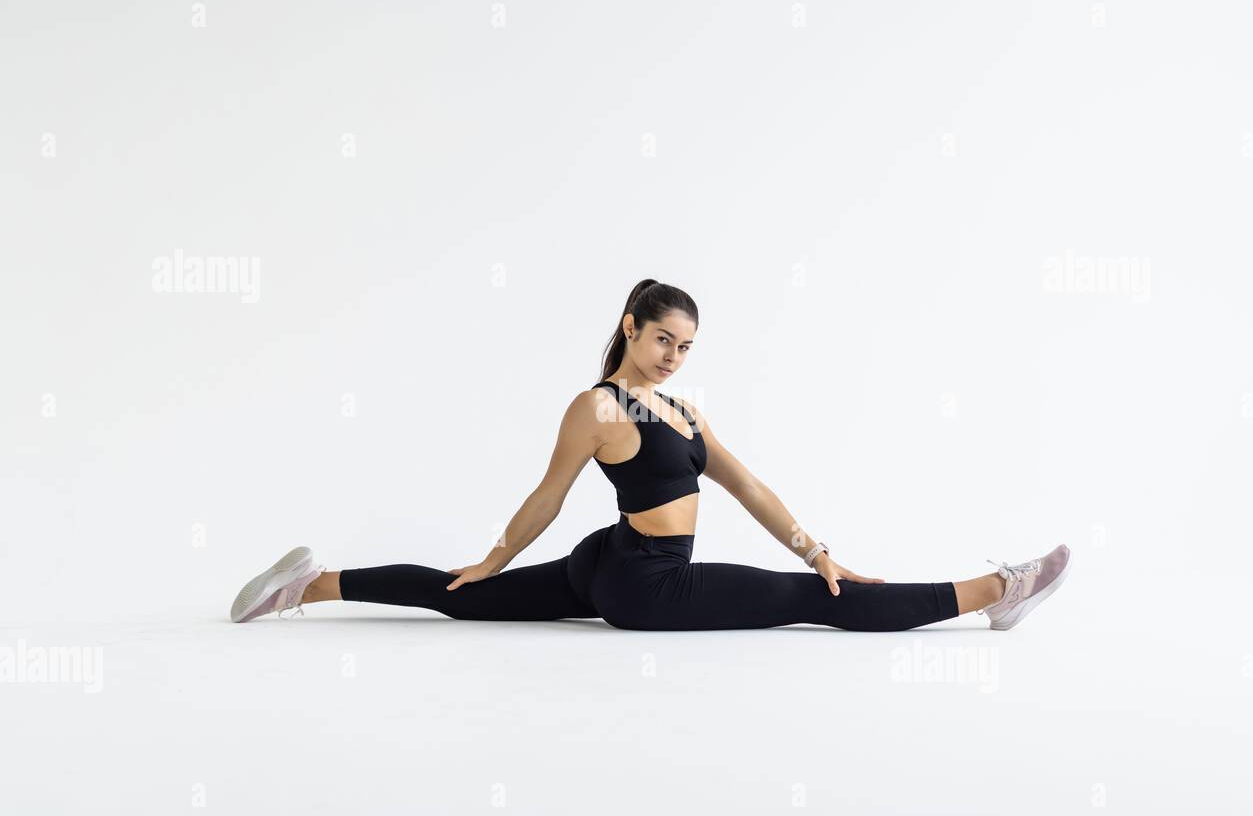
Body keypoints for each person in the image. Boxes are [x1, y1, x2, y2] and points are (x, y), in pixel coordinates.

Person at [229, 279, 1071, 630]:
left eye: (686, 344)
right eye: (662, 336)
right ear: (630, 327)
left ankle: (312, 582)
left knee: (465, 605)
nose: (673, 353)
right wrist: (494, 554)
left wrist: (818, 549)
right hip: (644, 582)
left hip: (609, 561)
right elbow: (548, 495)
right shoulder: (596, 406)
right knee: (823, 604)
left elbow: (747, 484)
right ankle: (1001, 590)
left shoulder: (682, 409)